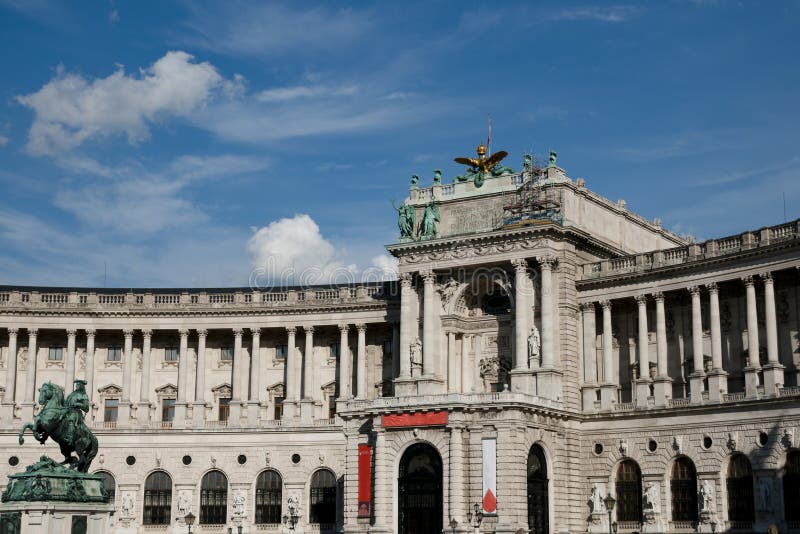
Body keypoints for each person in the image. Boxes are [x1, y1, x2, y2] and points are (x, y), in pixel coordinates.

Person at [63, 380, 90, 445]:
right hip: (68, 410)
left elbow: (86, 408)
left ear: (82, 386)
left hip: (76, 412)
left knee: (71, 419)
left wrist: (78, 404)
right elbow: (66, 403)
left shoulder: (84, 395)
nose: (77, 386)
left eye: (79, 385)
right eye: (76, 385)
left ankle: (70, 437)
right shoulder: (72, 394)